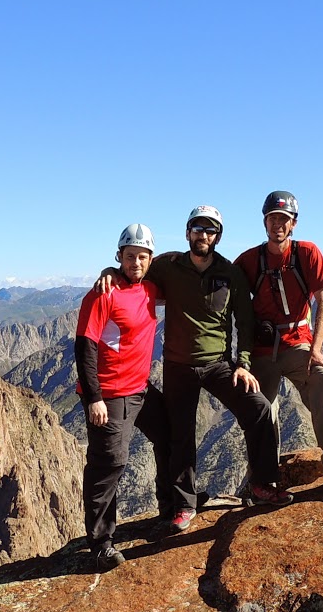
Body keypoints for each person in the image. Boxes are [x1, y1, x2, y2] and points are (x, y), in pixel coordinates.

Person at [111, 204, 291, 533]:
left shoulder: (230, 273)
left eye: (210, 230)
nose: (203, 235)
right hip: (178, 366)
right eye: (197, 229)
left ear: (217, 236)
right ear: (187, 233)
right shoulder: (168, 265)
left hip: (219, 365)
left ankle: (263, 484)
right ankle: (183, 504)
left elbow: (245, 322)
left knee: (260, 410)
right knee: (180, 435)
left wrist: (244, 363)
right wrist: (108, 273)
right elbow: (132, 271)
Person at [234, 191, 323, 498]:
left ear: (293, 224)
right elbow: (221, 285)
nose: (277, 224)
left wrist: (316, 349)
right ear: (264, 222)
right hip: (262, 349)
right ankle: (262, 482)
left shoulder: (307, 254)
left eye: (283, 219)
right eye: (272, 218)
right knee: (260, 408)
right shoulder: (249, 260)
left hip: (298, 345)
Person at [75, 223, 172, 570]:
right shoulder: (103, 294)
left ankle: (172, 506)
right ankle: (100, 542)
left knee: (169, 434)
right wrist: (93, 399)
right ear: (119, 257)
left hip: (140, 389)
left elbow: (180, 272)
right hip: (110, 395)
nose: (136, 262)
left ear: (150, 259)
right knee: (109, 463)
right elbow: (84, 348)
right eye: (129, 256)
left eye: (142, 256)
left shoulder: (149, 289)